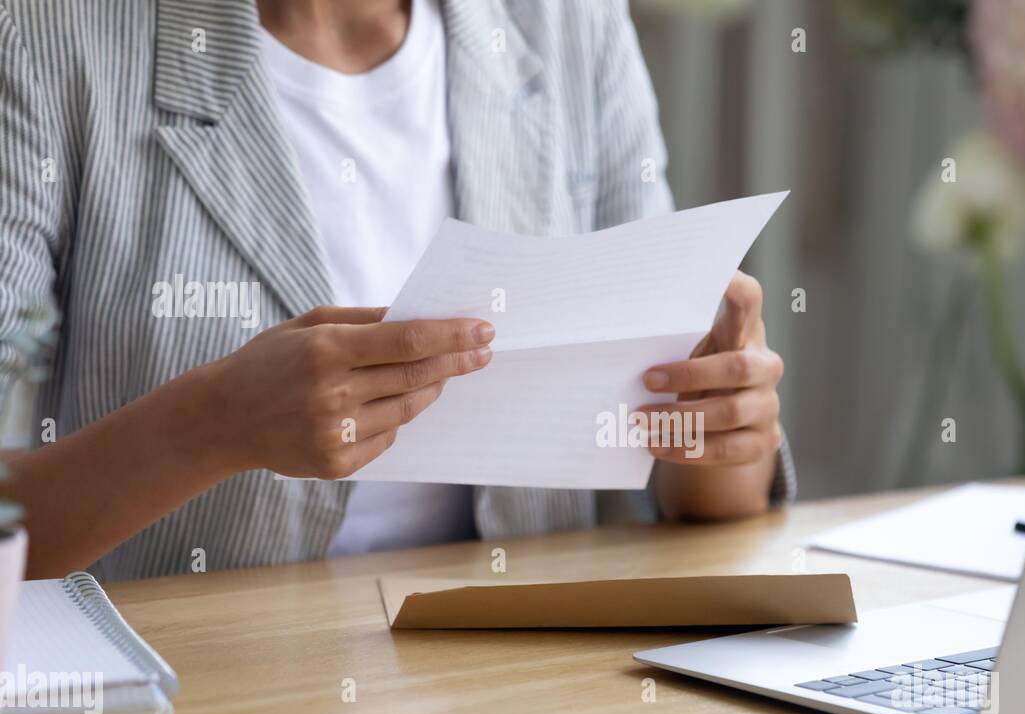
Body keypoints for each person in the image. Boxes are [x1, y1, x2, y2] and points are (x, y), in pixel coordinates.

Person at [0, 0, 794, 582]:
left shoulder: (569, 24)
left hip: (530, 699)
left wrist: (723, 428)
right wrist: (214, 424)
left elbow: (700, 497)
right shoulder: (46, 40)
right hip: (204, 711)